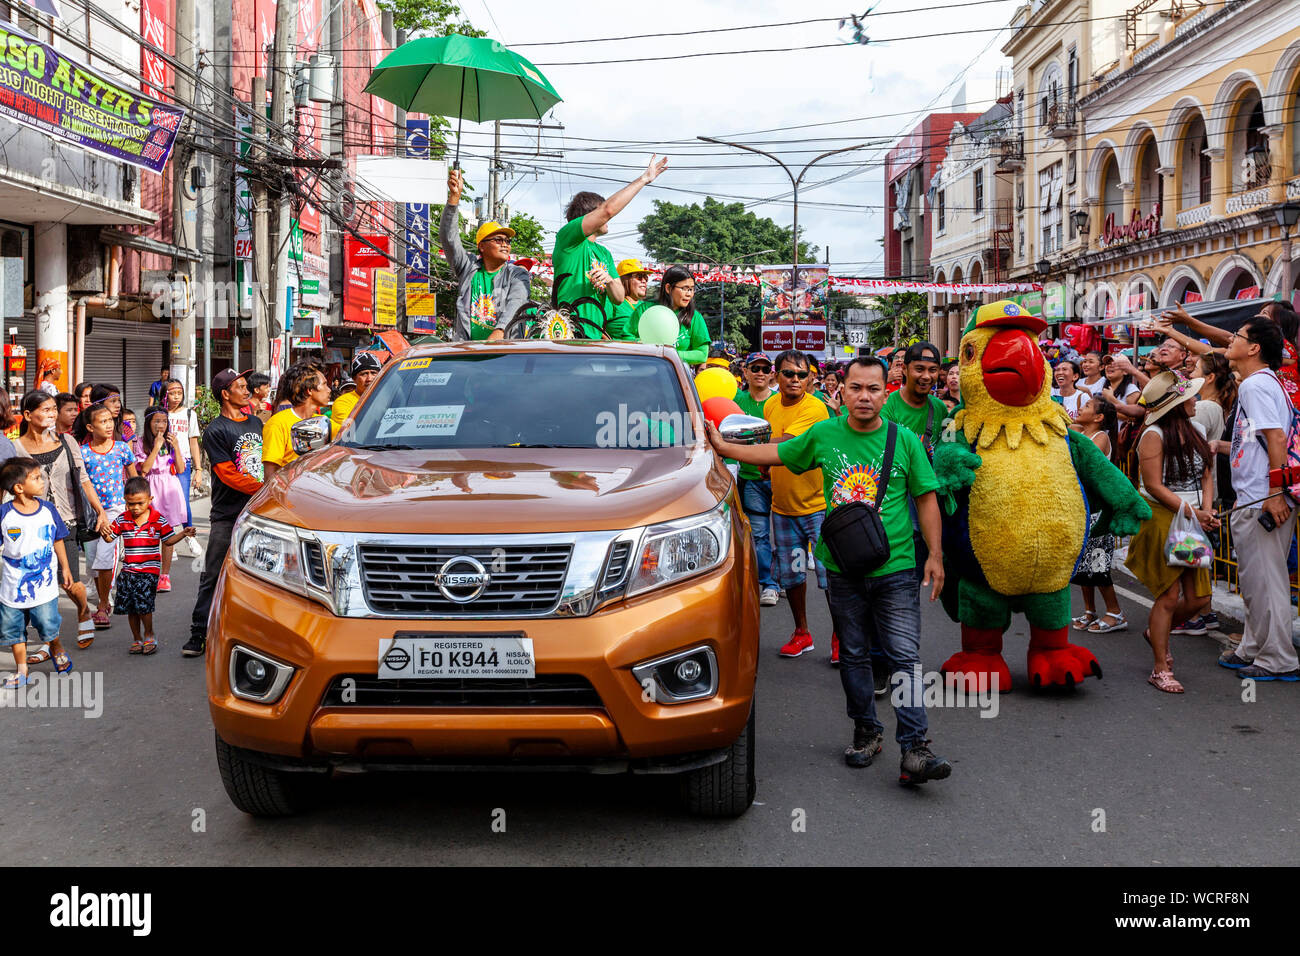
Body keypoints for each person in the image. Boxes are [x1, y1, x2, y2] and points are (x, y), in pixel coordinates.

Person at [709, 356, 951, 783]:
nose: (864, 397)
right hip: (842, 568)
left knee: (905, 657)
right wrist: (725, 448)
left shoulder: (904, 440)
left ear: (885, 392)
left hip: (896, 567)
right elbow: (778, 453)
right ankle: (867, 732)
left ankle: (915, 748)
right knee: (854, 655)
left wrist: (935, 555)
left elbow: (926, 497)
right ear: (842, 392)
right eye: (856, 388)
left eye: (873, 389)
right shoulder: (824, 434)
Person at [1124, 373, 1217, 693]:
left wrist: (1207, 510)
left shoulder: (1199, 429)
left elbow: (1207, 473)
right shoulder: (1152, 435)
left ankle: (1157, 631)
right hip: (1164, 518)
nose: (1196, 400)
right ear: (1175, 405)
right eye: (1190, 397)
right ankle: (1160, 666)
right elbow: (1152, 485)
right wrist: (1195, 513)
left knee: (1199, 598)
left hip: (1191, 521)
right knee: (1170, 595)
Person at [1219, 317, 1300, 681]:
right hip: (1254, 496)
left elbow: (1277, 439)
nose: (1231, 340)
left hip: (1262, 498)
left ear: (1254, 348)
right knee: (1255, 580)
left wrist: (1273, 493)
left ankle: (1278, 658)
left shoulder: (1255, 384)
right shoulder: (1262, 383)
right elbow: (1259, 440)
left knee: (1266, 581)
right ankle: (1253, 647)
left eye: (1237, 336)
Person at [12, 389, 108, 654]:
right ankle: (49, 642)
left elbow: (84, 480)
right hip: (32, 524)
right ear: (28, 415)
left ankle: (82, 611)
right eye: (45, 409)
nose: (52, 414)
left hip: (67, 521)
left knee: (68, 581)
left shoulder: (68, 442)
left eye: (54, 408)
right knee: (41, 586)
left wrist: (99, 510)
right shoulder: (17, 448)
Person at [185, 368, 263, 658]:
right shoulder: (216, 430)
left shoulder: (256, 422)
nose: (247, 390)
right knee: (213, 573)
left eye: (247, 386)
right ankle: (198, 632)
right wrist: (264, 487)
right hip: (227, 514)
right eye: (240, 387)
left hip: (258, 513)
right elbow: (227, 474)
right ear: (225, 394)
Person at [761, 350, 831, 660]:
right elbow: (768, 450)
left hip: (817, 506)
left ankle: (842, 637)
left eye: (802, 375)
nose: (795, 380)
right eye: (789, 373)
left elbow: (784, 446)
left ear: (810, 378)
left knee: (832, 577)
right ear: (777, 376)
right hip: (783, 507)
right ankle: (802, 633)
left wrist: (735, 445)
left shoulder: (816, 409)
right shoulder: (770, 404)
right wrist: (763, 465)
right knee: (792, 576)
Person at [552, 156, 667, 338]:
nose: (609, 219)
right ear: (590, 217)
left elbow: (619, 297)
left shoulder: (603, 253)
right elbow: (608, 210)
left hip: (594, 337)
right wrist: (644, 179)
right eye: (601, 214)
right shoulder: (568, 239)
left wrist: (610, 280)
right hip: (567, 335)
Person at [0, 458, 74, 688]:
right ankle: (22, 669)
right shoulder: (4, 514)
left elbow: (58, 538)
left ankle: (56, 646)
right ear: (18, 488)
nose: (42, 482)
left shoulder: (48, 510)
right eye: (36, 478)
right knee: (13, 629)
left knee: (47, 622)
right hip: (12, 586)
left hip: (44, 586)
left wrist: (66, 568)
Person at [102, 475, 196, 655]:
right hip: (128, 571)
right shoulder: (122, 520)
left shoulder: (158, 519)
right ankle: (136, 638)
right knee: (131, 608)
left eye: (140, 503)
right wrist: (103, 530)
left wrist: (184, 533)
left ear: (150, 500)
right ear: (125, 502)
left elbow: (168, 541)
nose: (135, 508)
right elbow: (109, 538)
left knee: (144, 606)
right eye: (131, 504)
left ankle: (149, 634)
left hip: (149, 572)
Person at [439, 170, 533, 341]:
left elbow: (516, 303)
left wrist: (499, 332)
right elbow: (449, 239)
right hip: (468, 354)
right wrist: (454, 199)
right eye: (498, 239)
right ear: (482, 246)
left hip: (505, 355)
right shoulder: (468, 268)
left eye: (508, 241)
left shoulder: (517, 274)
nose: (505, 244)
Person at [80, 402, 139, 629]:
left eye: (110, 420)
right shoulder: (83, 453)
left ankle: (103, 605)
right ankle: (106, 596)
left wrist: (136, 510)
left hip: (115, 511)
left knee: (106, 557)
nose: (108, 425)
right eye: (102, 421)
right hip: (91, 513)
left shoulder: (122, 448)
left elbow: (134, 481)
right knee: (94, 563)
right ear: (89, 427)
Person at [1070, 397, 1126, 634]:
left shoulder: (1100, 437)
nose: (1080, 409)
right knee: (1082, 564)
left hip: (1099, 511)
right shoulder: (1081, 433)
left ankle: (1115, 612)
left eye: (1087, 407)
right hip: (1083, 507)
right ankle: (1089, 610)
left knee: (1097, 562)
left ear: (1098, 417)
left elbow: (1085, 464)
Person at [732, 352, 779, 607]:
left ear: (771, 373)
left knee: (783, 536)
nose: (760, 373)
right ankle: (769, 583)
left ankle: (785, 579)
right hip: (751, 478)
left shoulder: (781, 401)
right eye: (755, 368)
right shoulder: (736, 401)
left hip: (782, 477)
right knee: (760, 535)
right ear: (746, 372)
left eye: (765, 368)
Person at [132, 406, 188, 593]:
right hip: (151, 489)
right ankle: (149, 571)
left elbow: (180, 469)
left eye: (164, 421)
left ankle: (165, 575)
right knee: (149, 533)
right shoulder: (140, 443)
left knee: (168, 533)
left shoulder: (172, 443)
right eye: (157, 421)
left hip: (170, 489)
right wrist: (156, 447)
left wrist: (177, 447)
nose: (161, 425)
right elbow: (144, 469)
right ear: (148, 423)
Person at [262, 362, 333, 483]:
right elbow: (270, 474)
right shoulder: (278, 423)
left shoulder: (324, 422)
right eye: (324, 384)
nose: (329, 390)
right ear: (309, 390)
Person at [163, 379, 202, 526]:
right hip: (163, 463)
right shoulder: (160, 414)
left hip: (183, 463)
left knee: (184, 503)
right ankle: (169, 543)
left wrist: (198, 470)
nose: (176, 397)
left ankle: (189, 535)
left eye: (179, 393)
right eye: (172, 393)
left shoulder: (189, 414)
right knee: (164, 503)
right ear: (165, 395)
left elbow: (193, 443)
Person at [331, 353, 380, 428]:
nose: (369, 379)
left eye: (373, 373)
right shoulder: (343, 402)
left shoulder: (389, 399)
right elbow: (350, 430)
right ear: (354, 379)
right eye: (364, 374)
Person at [608, 258, 651, 342]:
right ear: (625, 280)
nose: (644, 281)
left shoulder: (646, 306)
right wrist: (611, 343)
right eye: (639, 277)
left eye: (645, 277)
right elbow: (597, 327)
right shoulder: (612, 302)